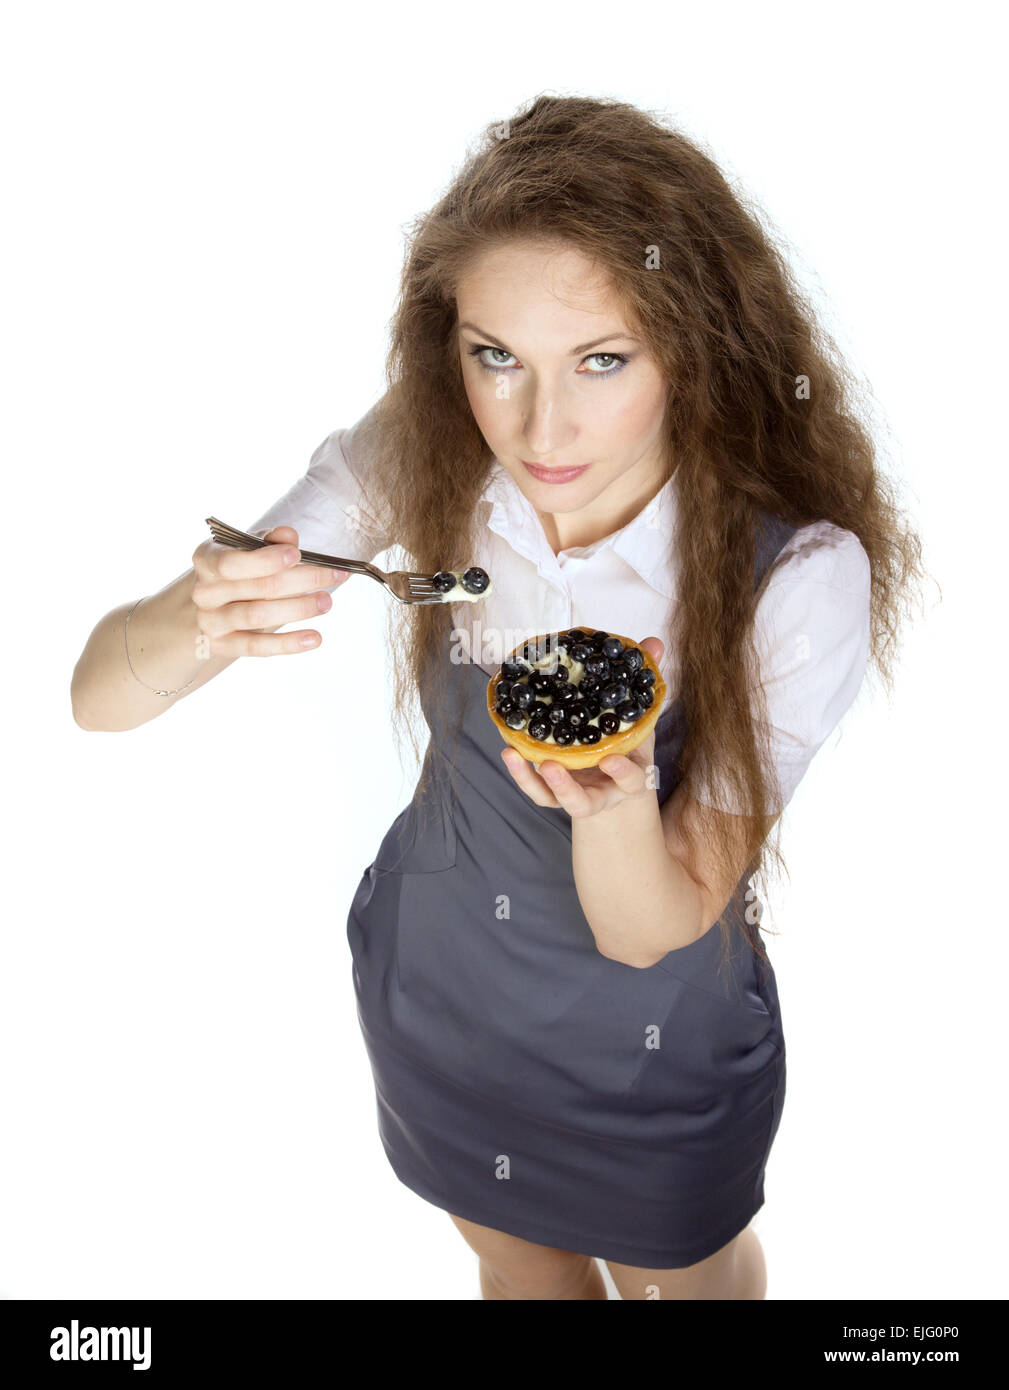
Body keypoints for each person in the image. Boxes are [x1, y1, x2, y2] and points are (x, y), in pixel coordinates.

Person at [70, 95, 926, 1300]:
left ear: (696, 341)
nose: (541, 425)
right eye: (495, 358)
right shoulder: (422, 460)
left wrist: (611, 804)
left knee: (685, 1276)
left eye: (602, 361)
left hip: (652, 1046)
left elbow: (647, 927)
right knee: (514, 1264)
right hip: (443, 1000)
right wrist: (196, 613)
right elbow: (97, 702)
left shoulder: (798, 574)